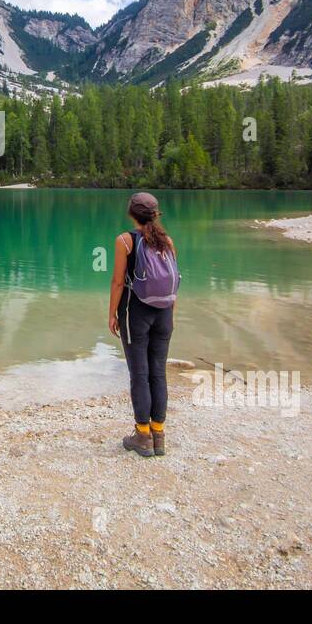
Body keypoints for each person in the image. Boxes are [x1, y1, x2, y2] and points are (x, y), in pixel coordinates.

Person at [108, 192, 179, 458]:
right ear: (155, 214)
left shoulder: (125, 241)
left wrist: (112, 313)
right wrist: (171, 314)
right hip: (164, 314)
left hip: (135, 314)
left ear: (131, 214)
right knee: (158, 373)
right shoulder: (168, 241)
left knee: (139, 374)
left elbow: (117, 282)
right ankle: (158, 434)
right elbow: (174, 281)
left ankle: (142, 436)